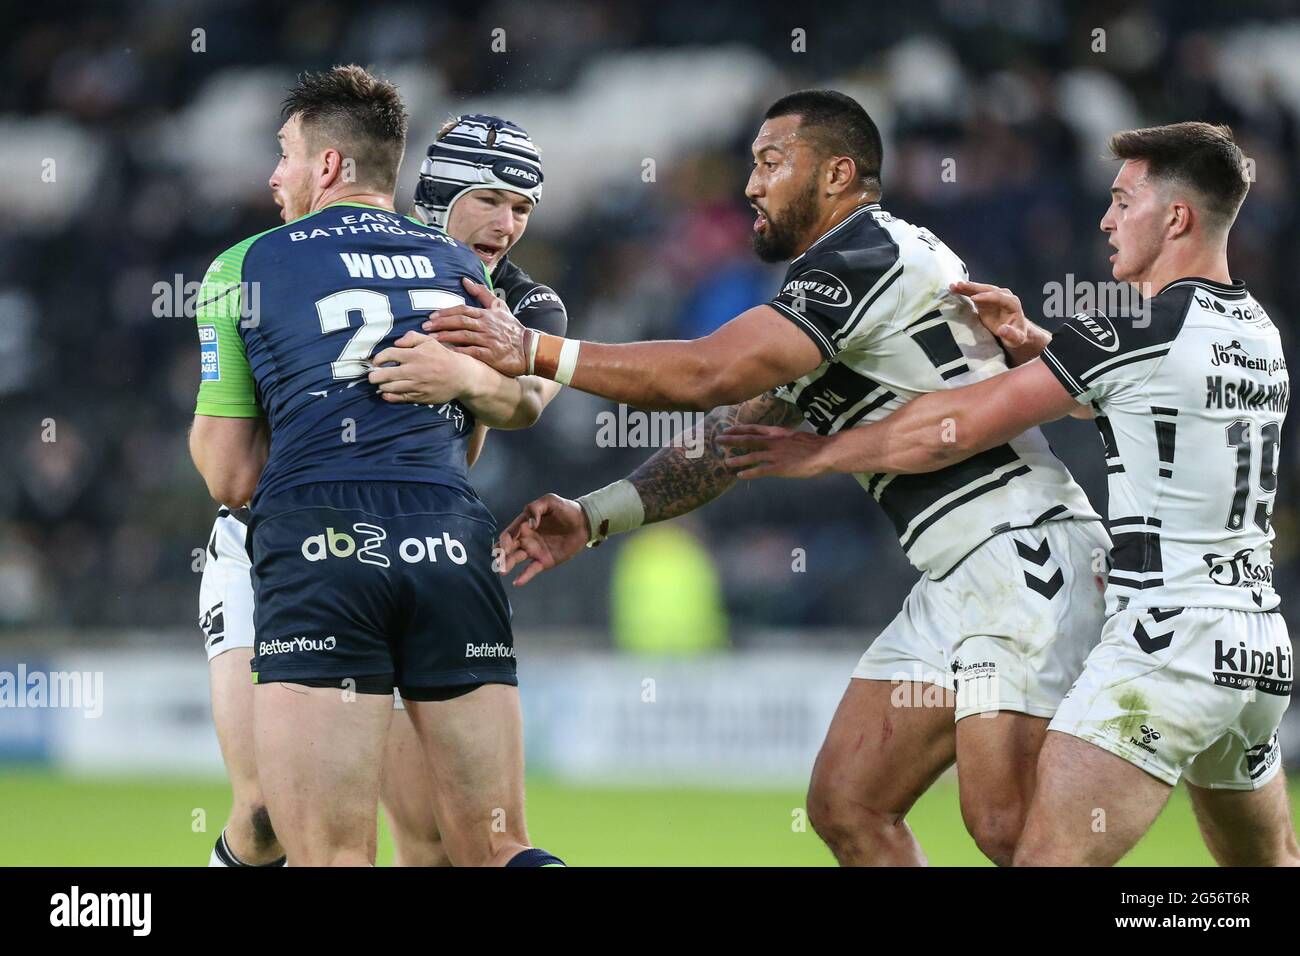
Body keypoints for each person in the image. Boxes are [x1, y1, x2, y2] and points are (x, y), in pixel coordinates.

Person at [386, 89, 1109, 866]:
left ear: (836, 174)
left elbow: (710, 373)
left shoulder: (873, 253)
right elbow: (729, 440)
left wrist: (528, 346)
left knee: (1006, 827)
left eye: (771, 163)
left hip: (1022, 551)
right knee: (850, 807)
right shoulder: (837, 295)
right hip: (955, 574)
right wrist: (594, 516)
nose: (751, 185)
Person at [718, 122, 1300, 867]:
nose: (1106, 220)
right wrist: (1034, 341)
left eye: (1123, 202)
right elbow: (1146, 400)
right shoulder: (1260, 333)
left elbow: (949, 428)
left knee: (1042, 859)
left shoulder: (1130, 332)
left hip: (1166, 645)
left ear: (1177, 218)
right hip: (1256, 649)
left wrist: (822, 451)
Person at [190, 65, 563, 866]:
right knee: (489, 845)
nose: (507, 224)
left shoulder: (247, 265)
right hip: (441, 535)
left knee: (342, 846)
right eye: (492, 200)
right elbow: (498, 419)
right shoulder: (463, 278)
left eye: (522, 207)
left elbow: (230, 475)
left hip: (304, 536)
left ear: (326, 165)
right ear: (437, 193)